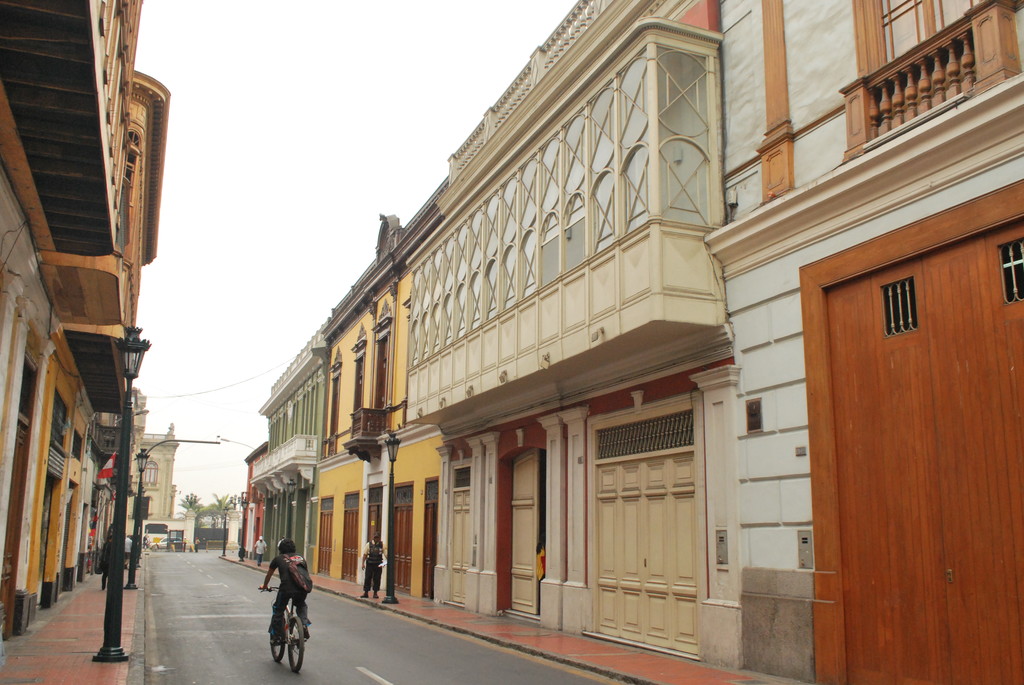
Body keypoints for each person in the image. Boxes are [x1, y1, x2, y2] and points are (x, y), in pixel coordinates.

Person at [258, 538, 310, 643]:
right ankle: (304, 624)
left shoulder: (278, 559)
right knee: (301, 605)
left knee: (278, 609)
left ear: (280, 549)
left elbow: (269, 574)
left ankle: (277, 636)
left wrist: (265, 586)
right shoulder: (301, 558)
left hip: (286, 589)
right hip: (302, 588)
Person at [360, 532, 386, 599]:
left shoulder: (382, 545)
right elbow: (365, 555)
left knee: (377, 578)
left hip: (378, 563)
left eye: (377, 537)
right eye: (375, 537)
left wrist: (384, 563)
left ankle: (375, 593)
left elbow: (386, 555)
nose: (376, 539)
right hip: (370, 563)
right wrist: (363, 564)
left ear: (379, 538)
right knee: (368, 577)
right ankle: (366, 592)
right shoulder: (368, 544)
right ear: (373, 538)